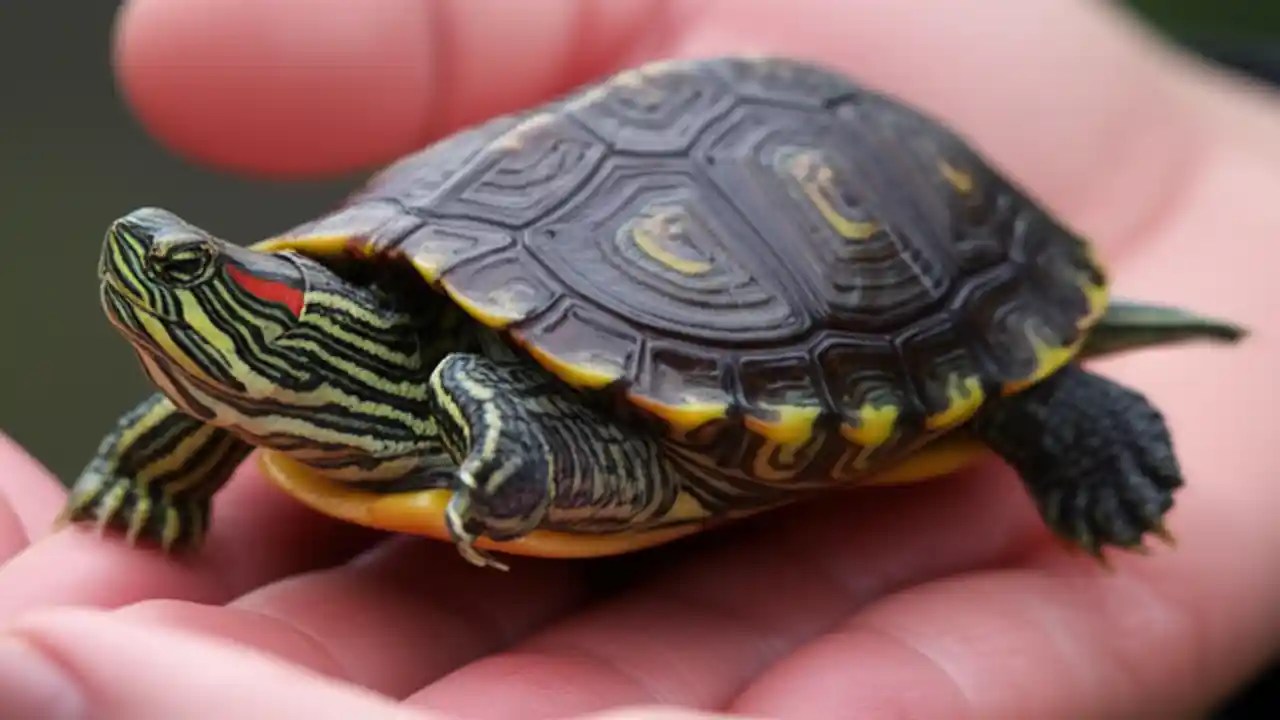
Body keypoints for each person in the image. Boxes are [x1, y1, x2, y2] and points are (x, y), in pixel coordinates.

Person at [2, 0, 1278, 717]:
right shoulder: (305, 379)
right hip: (475, 319)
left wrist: (505, 459)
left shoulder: (451, 389)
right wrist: (161, 469)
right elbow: (249, 381)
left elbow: (475, 375)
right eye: (183, 289)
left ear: (278, 309)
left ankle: (1055, 402)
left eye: (200, 285)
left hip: (823, 273)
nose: (161, 273)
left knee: (1061, 424)